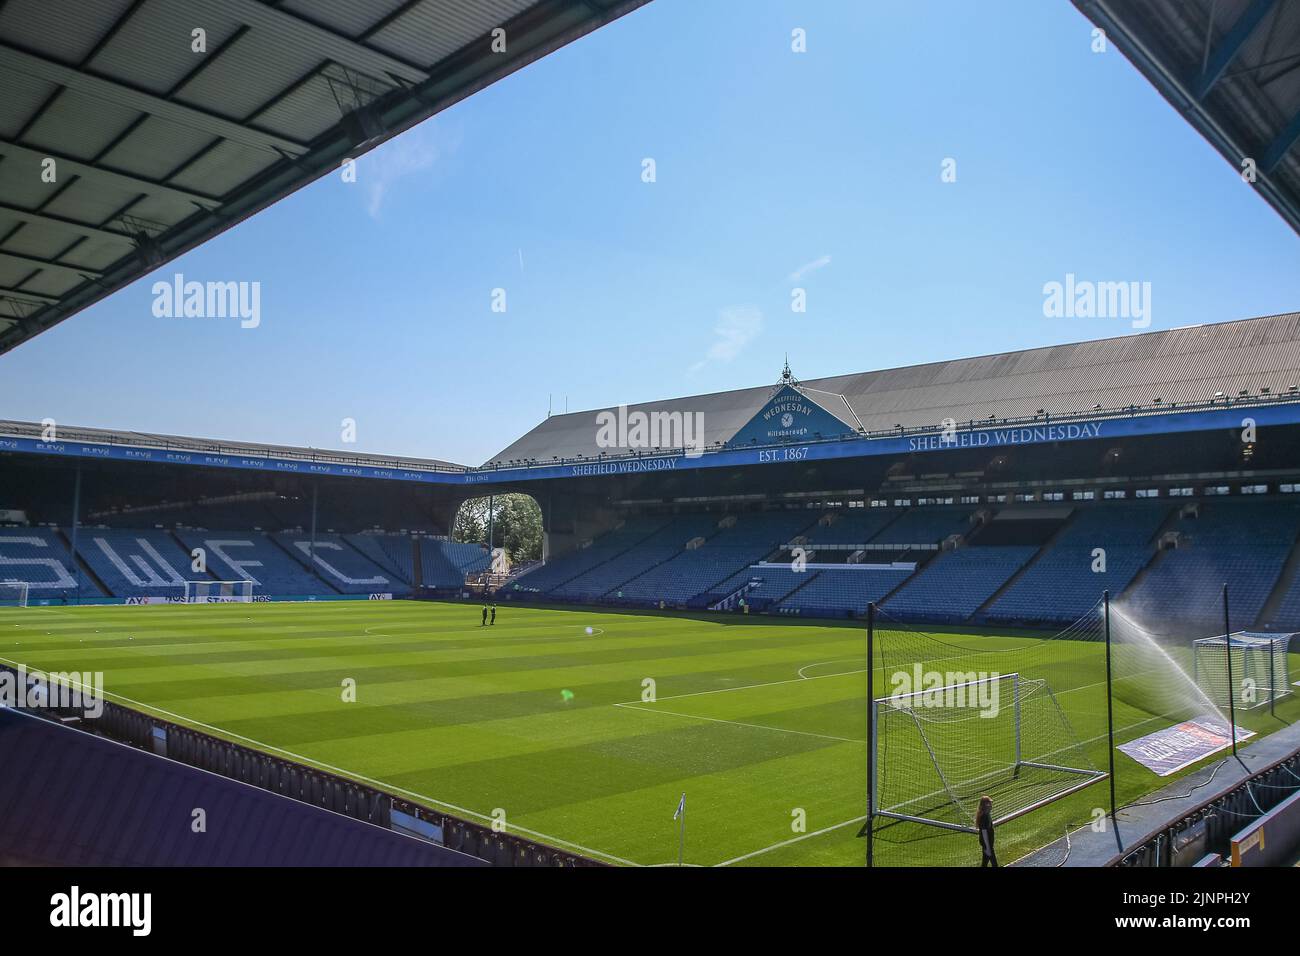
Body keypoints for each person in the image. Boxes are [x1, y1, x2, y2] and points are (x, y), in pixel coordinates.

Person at [976, 795, 997, 867]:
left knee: (984, 863)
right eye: (990, 803)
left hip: (988, 844)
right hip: (987, 844)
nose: (991, 805)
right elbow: (984, 833)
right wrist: (987, 847)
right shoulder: (984, 817)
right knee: (994, 863)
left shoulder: (987, 814)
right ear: (986, 805)